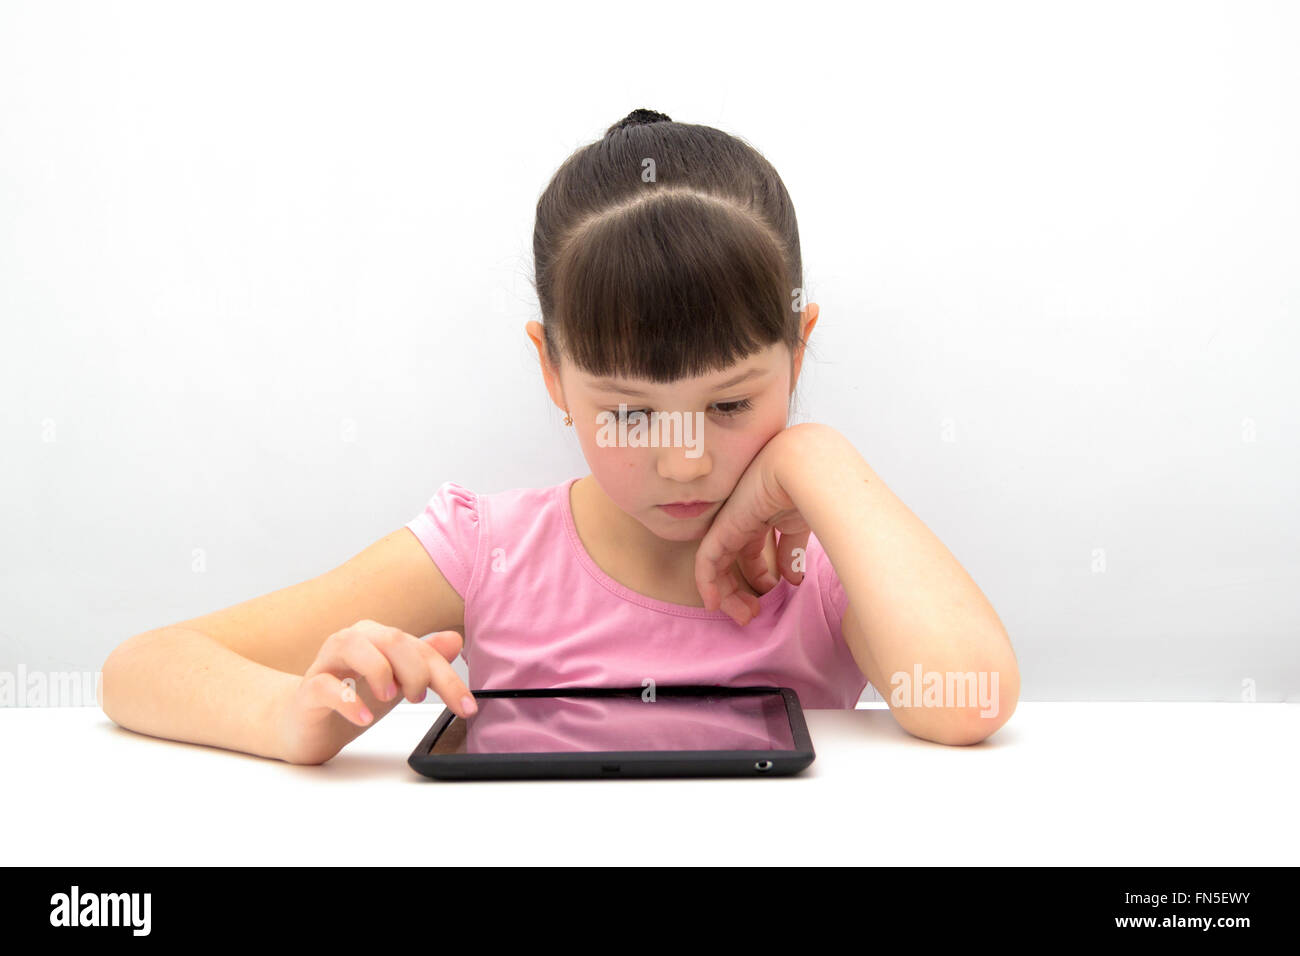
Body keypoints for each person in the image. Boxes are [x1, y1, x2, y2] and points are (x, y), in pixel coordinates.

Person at [102, 109, 1020, 764]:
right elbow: (140, 667)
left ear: (798, 351)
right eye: (629, 411)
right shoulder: (487, 556)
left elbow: (973, 700)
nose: (686, 459)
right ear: (553, 372)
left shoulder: (822, 562)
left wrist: (813, 458)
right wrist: (292, 716)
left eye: (734, 406)